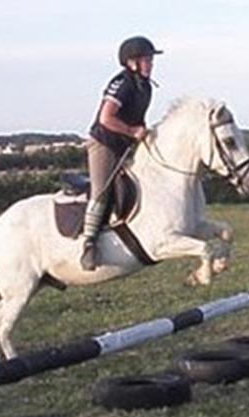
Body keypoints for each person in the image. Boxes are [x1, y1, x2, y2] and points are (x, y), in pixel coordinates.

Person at [80, 36, 162, 271]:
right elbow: (106, 118)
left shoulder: (145, 86)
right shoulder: (122, 83)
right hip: (104, 143)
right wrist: (131, 130)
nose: (151, 64)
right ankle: (89, 244)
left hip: (125, 144)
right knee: (102, 190)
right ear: (132, 62)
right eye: (146, 60)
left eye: (151, 60)